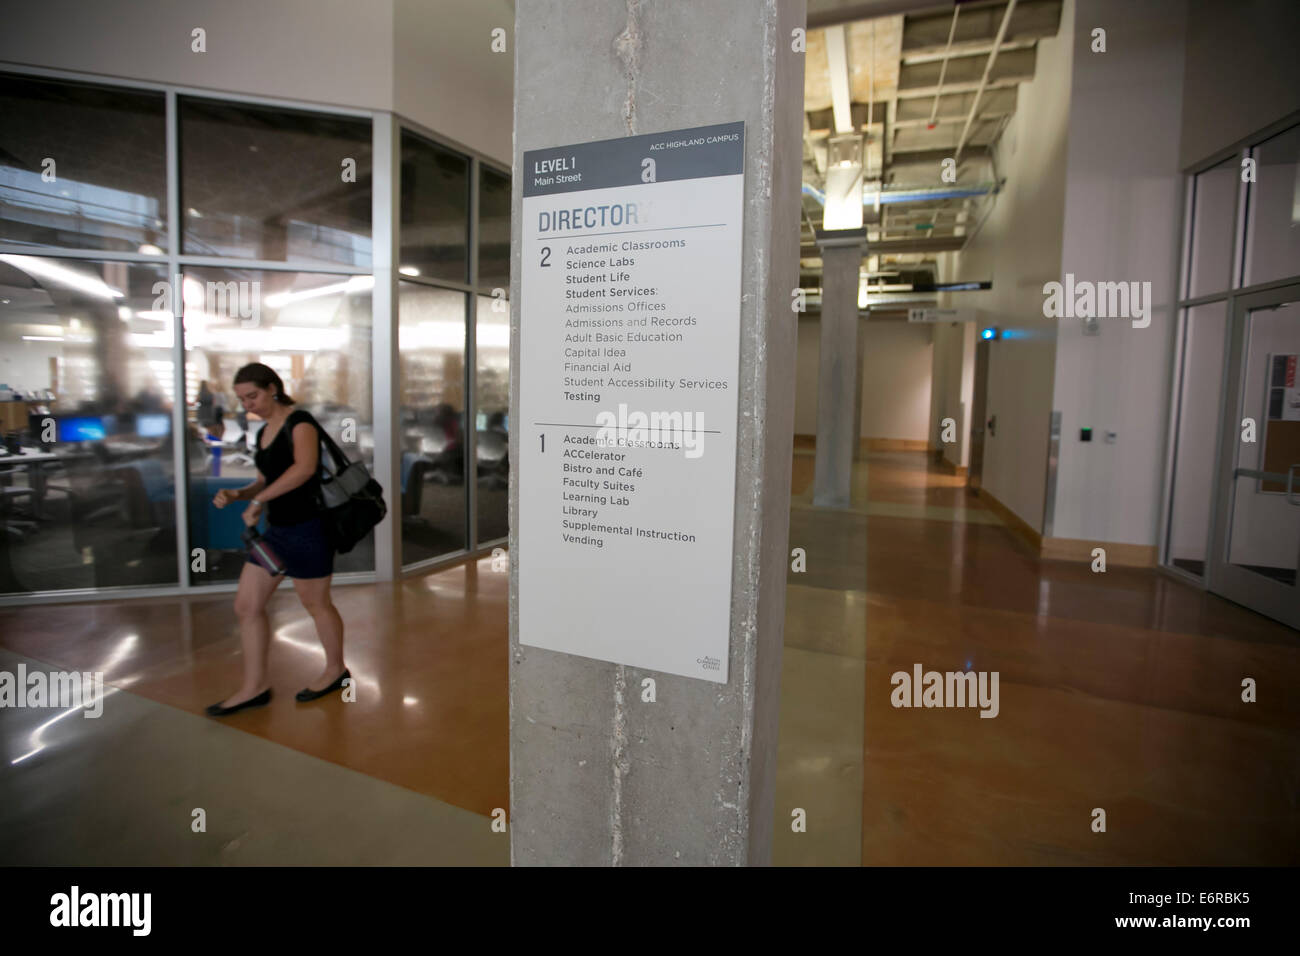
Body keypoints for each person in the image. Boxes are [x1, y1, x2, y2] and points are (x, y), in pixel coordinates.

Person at [206, 363, 349, 716]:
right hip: (276, 532)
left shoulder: (301, 423)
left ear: (273, 388)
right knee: (246, 605)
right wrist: (239, 494)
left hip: (308, 528)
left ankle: (336, 670)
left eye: (252, 396)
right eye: (241, 399)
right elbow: (262, 480)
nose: (247, 405)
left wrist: (259, 501)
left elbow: (303, 468)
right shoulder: (262, 432)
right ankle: (255, 687)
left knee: (315, 603)